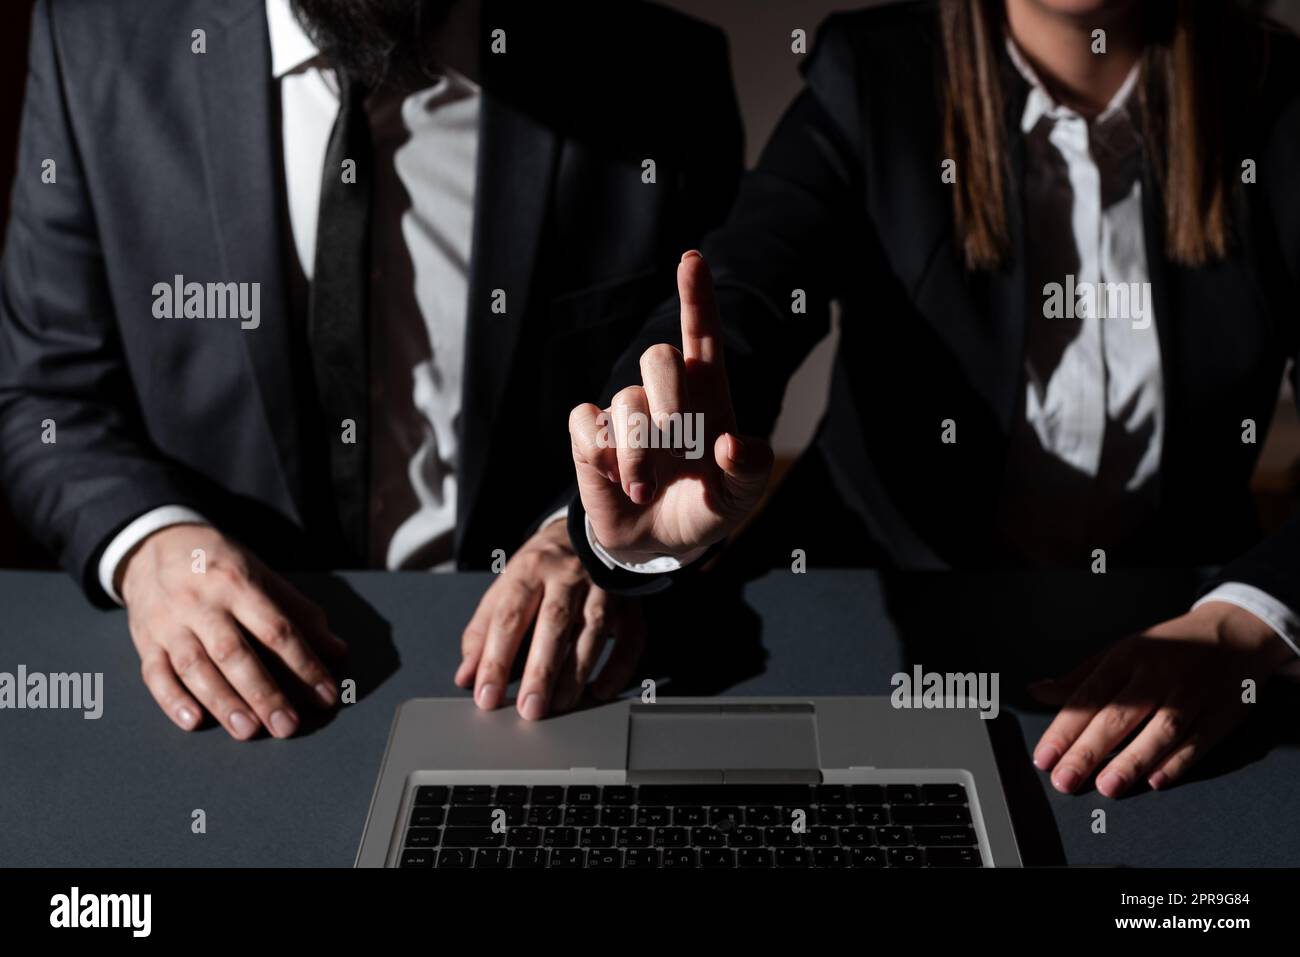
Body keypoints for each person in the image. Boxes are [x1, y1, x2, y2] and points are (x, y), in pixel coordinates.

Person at [566, 0, 1300, 797]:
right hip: (865, 612)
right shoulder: (876, 71)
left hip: (1183, 636)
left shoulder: (1280, 95)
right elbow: (745, 294)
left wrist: (1246, 622)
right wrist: (645, 458)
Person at [0, 0, 741, 737]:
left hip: (537, 691)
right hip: (220, 714)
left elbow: (707, 380)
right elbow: (44, 397)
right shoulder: (95, 48)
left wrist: (589, 536)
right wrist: (150, 545)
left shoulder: (662, 74)